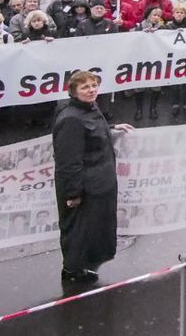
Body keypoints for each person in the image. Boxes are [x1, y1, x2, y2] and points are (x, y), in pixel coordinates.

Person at [52, 70, 133, 283]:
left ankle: (84, 266)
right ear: (73, 91)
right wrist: (73, 193)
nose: (91, 90)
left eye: (94, 85)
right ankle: (73, 272)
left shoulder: (90, 108)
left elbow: (93, 131)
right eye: (85, 87)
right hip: (85, 187)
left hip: (98, 184)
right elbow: (68, 161)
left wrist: (112, 128)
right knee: (79, 231)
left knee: (93, 229)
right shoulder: (70, 119)